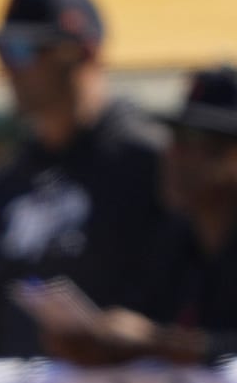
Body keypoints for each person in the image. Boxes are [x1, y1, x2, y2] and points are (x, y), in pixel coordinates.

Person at [0, 0, 171, 359]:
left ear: (83, 52)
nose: (8, 68)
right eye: (3, 51)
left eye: (23, 50)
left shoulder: (153, 163)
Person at [42, 65, 237, 366]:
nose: (174, 153)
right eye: (175, 136)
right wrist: (99, 343)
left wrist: (156, 343)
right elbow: (138, 322)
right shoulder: (175, 240)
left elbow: (157, 339)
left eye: (195, 139)